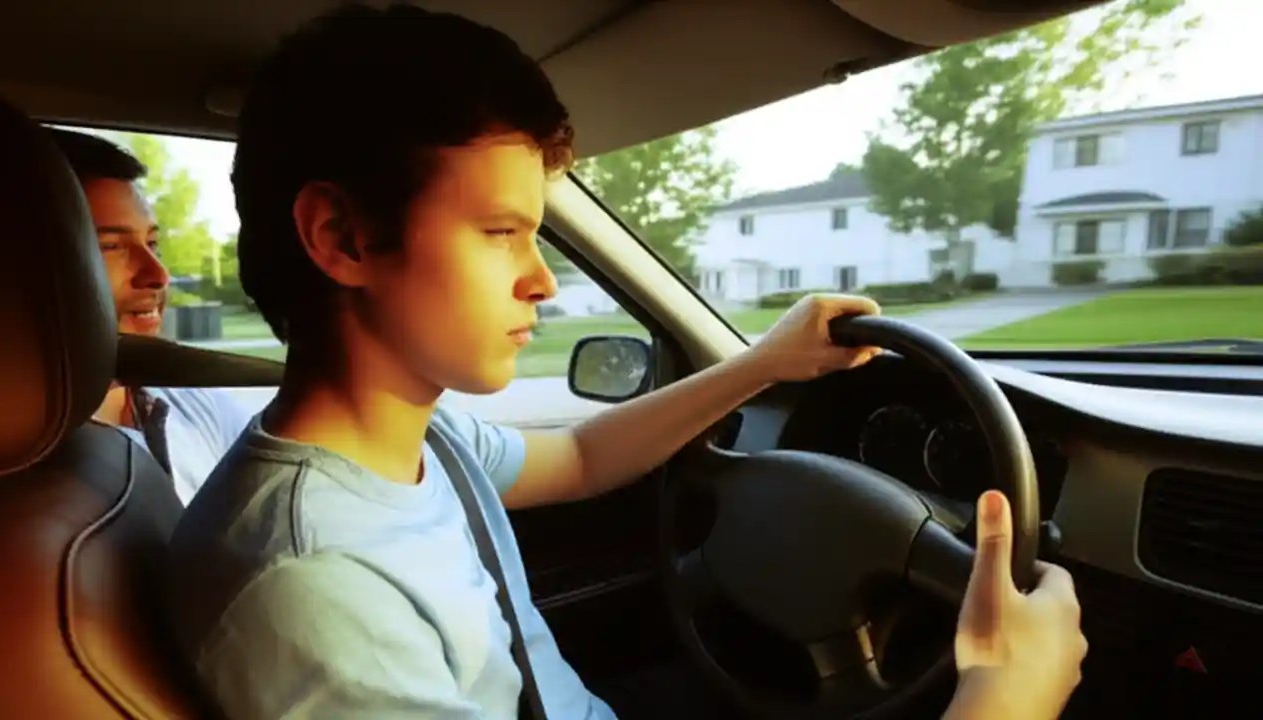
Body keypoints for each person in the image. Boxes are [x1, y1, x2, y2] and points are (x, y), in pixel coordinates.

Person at [166, 4, 1086, 719]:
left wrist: (763, 363)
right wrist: (1003, 699)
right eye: (501, 234)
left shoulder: (416, 435)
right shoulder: (310, 583)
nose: (542, 284)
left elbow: (583, 458)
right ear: (344, 236)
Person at [49, 129, 257, 505]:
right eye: (110, 246)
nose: (158, 274)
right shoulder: (16, 455)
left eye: (152, 243)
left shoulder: (191, 403)